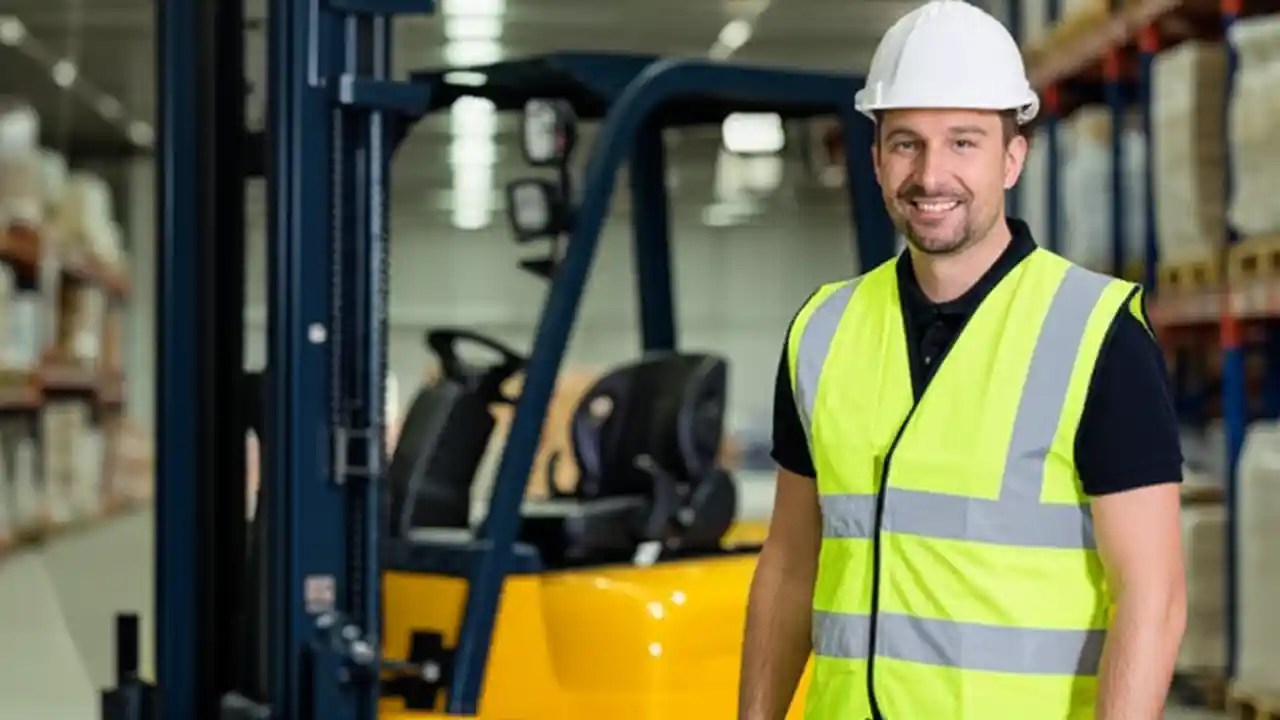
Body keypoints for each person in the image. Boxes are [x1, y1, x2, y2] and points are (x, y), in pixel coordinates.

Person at [736, 1, 1187, 718]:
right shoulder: (823, 329)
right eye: (907, 143)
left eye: (964, 142)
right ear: (877, 158)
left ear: (1013, 156)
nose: (931, 173)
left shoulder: (1096, 333)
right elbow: (789, 566)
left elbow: (1152, 595)